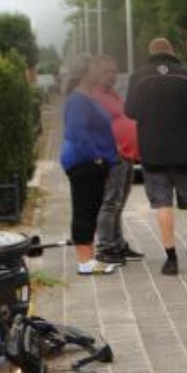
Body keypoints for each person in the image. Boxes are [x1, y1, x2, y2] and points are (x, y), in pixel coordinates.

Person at [126, 37, 187, 275]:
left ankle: (171, 260)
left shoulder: (138, 77)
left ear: (151, 53)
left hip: (153, 152)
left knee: (162, 204)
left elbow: (129, 111)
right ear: (172, 52)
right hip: (185, 152)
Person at [60, 56, 120, 276]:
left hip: (92, 163)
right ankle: (84, 261)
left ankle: (91, 258)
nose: (101, 71)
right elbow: (77, 133)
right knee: (84, 210)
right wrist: (96, 158)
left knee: (91, 209)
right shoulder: (78, 100)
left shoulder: (87, 98)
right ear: (86, 73)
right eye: (96, 68)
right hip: (84, 164)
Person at [88, 56, 143, 264]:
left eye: (113, 71)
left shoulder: (112, 94)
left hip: (127, 155)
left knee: (119, 203)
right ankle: (105, 247)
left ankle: (118, 244)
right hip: (113, 156)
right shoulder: (94, 96)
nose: (111, 75)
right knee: (110, 202)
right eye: (106, 72)